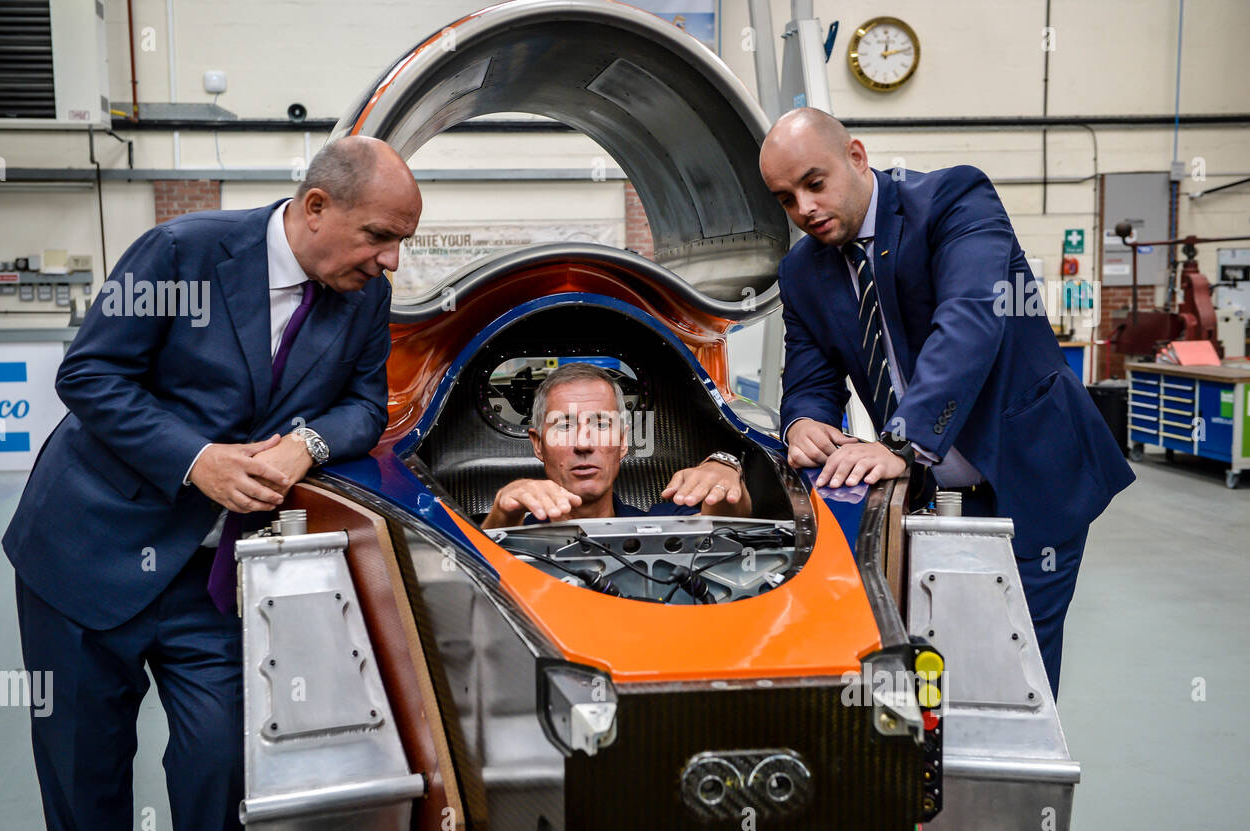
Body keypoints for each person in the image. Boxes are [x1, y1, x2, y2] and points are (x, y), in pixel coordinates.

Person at [2, 136, 421, 831]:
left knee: (225, 765)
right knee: (85, 778)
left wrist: (306, 444)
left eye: (399, 243)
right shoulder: (181, 252)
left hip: (214, 579)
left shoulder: (364, 300)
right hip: (87, 555)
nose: (390, 261)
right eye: (380, 237)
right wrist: (196, 461)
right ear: (316, 208)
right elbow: (91, 375)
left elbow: (364, 405)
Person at [758, 108, 1134, 697]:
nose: (804, 208)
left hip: (1030, 476)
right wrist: (804, 420)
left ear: (856, 157)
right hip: (926, 496)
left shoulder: (955, 200)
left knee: (1015, 670)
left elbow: (970, 320)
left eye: (814, 182)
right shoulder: (803, 271)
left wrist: (903, 443)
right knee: (931, 659)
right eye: (786, 198)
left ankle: (1008, 786)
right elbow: (809, 375)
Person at [481, 362, 751, 528]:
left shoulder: (664, 524)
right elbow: (477, 566)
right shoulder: (511, 524)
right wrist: (503, 515)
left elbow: (728, 520)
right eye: (564, 426)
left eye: (600, 424)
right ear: (538, 445)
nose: (583, 443)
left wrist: (724, 468)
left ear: (623, 441)